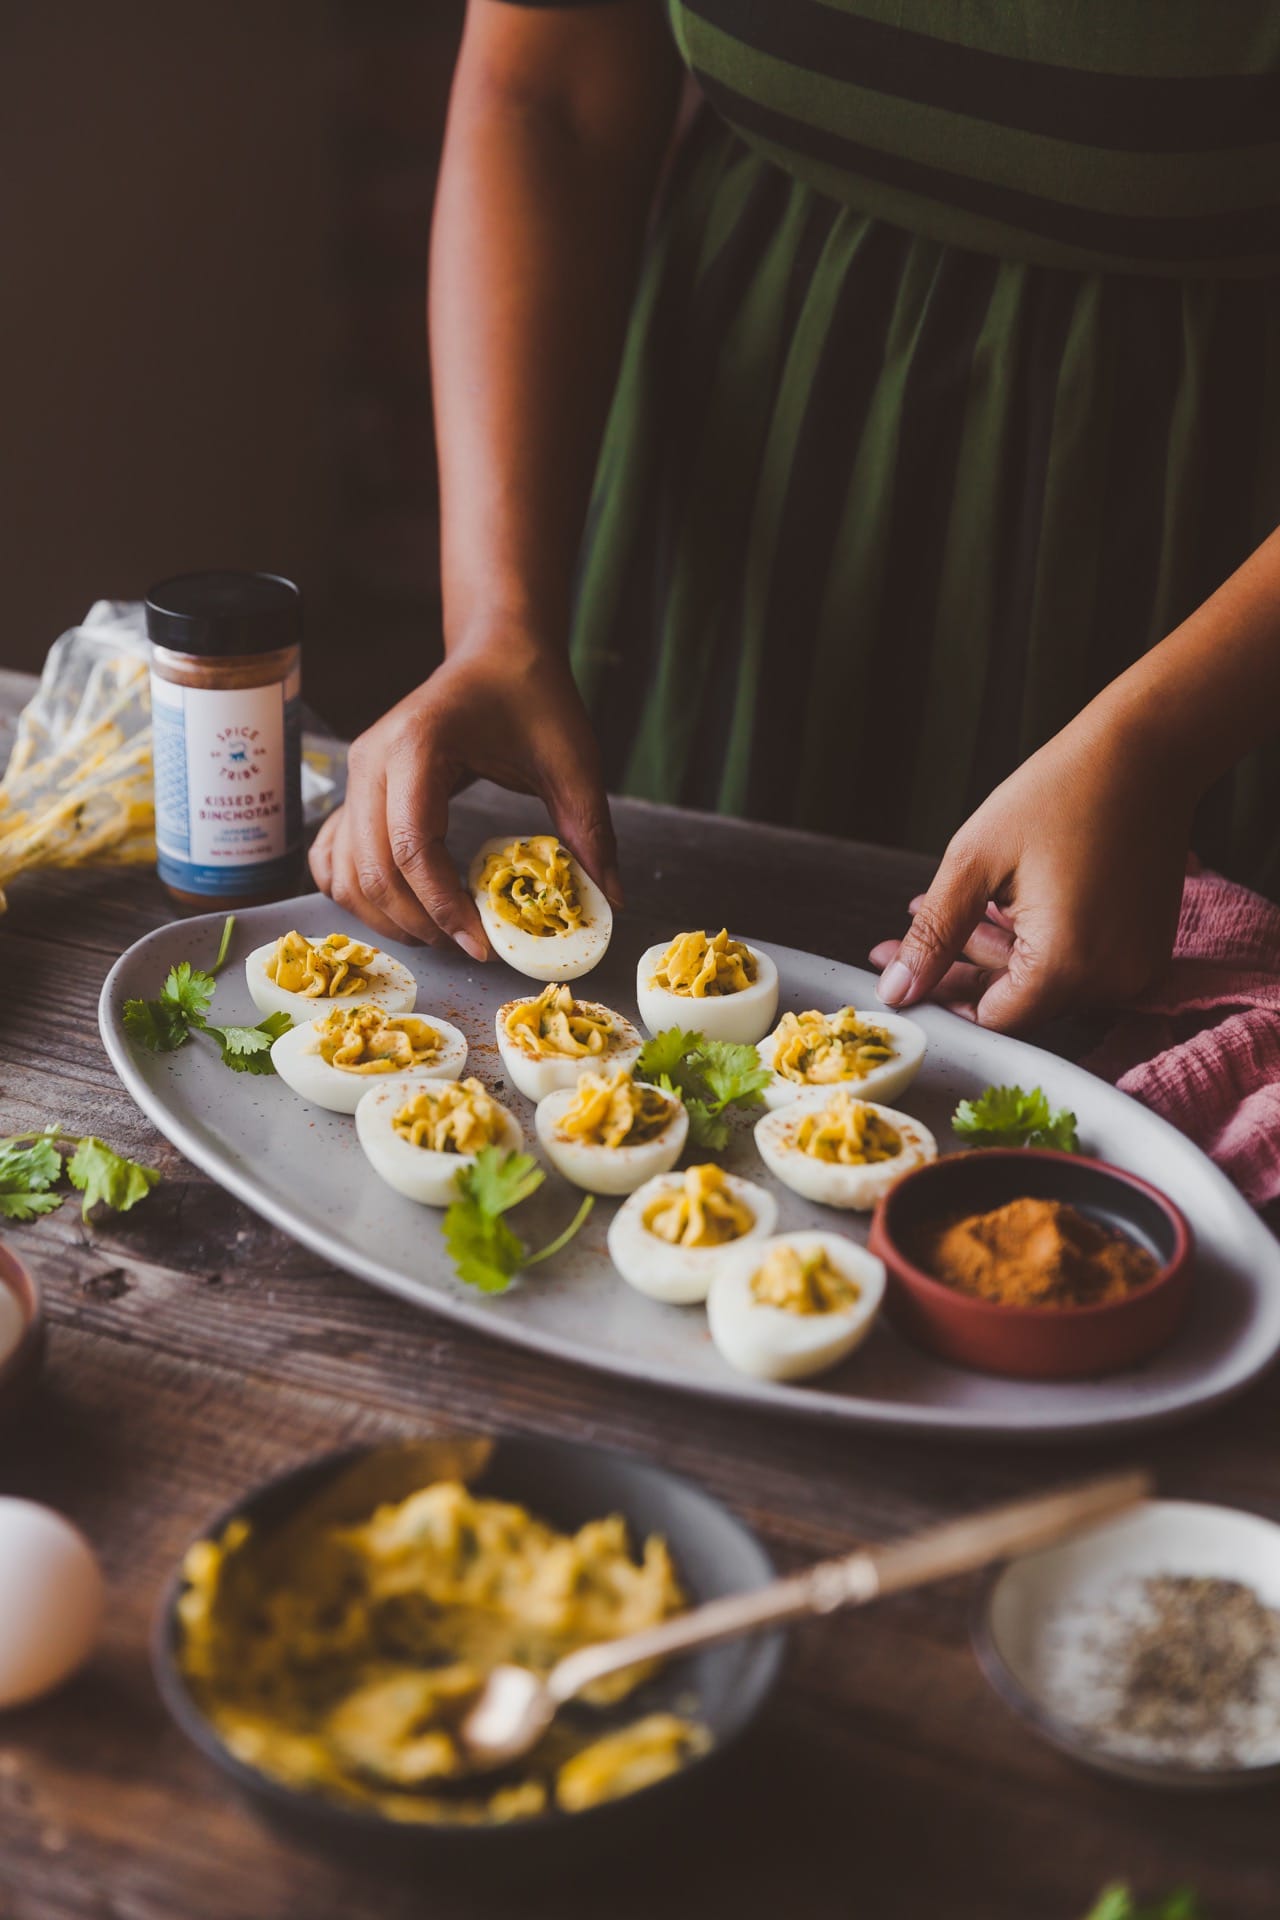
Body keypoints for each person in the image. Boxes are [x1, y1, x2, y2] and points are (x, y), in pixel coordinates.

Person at [310, 0, 1280, 1032]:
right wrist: (498, 622)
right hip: (759, 473)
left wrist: (1162, 744)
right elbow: (545, 95)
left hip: (1210, 561)